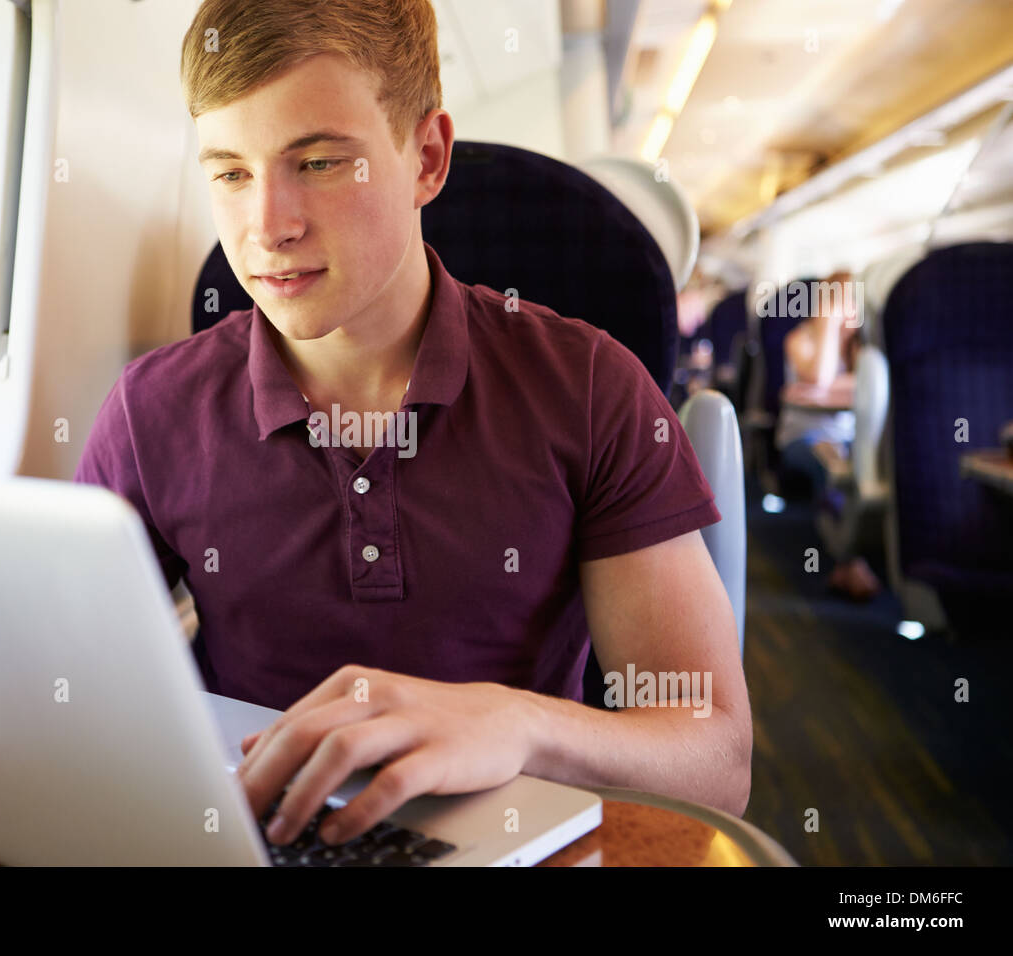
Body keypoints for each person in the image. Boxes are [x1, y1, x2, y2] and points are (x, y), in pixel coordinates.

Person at [74, 0, 751, 848]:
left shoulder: (587, 386)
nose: (268, 227)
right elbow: (68, 683)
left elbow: (717, 758)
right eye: (230, 173)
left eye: (317, 162)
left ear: (426, 158)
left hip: (516, 834)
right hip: (258, 837)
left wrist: (516, 724)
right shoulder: (152, 410)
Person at [775, 270, 882, 600]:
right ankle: (846, 560)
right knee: (833, 469)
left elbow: (877, 385)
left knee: (872, 463)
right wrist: (830, 325)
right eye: (845, 303)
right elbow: (819, 379)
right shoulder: (800, 340)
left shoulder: (860, 348)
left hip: (849, 437)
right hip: (803, 437)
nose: (852, 313)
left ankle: (872, 549)